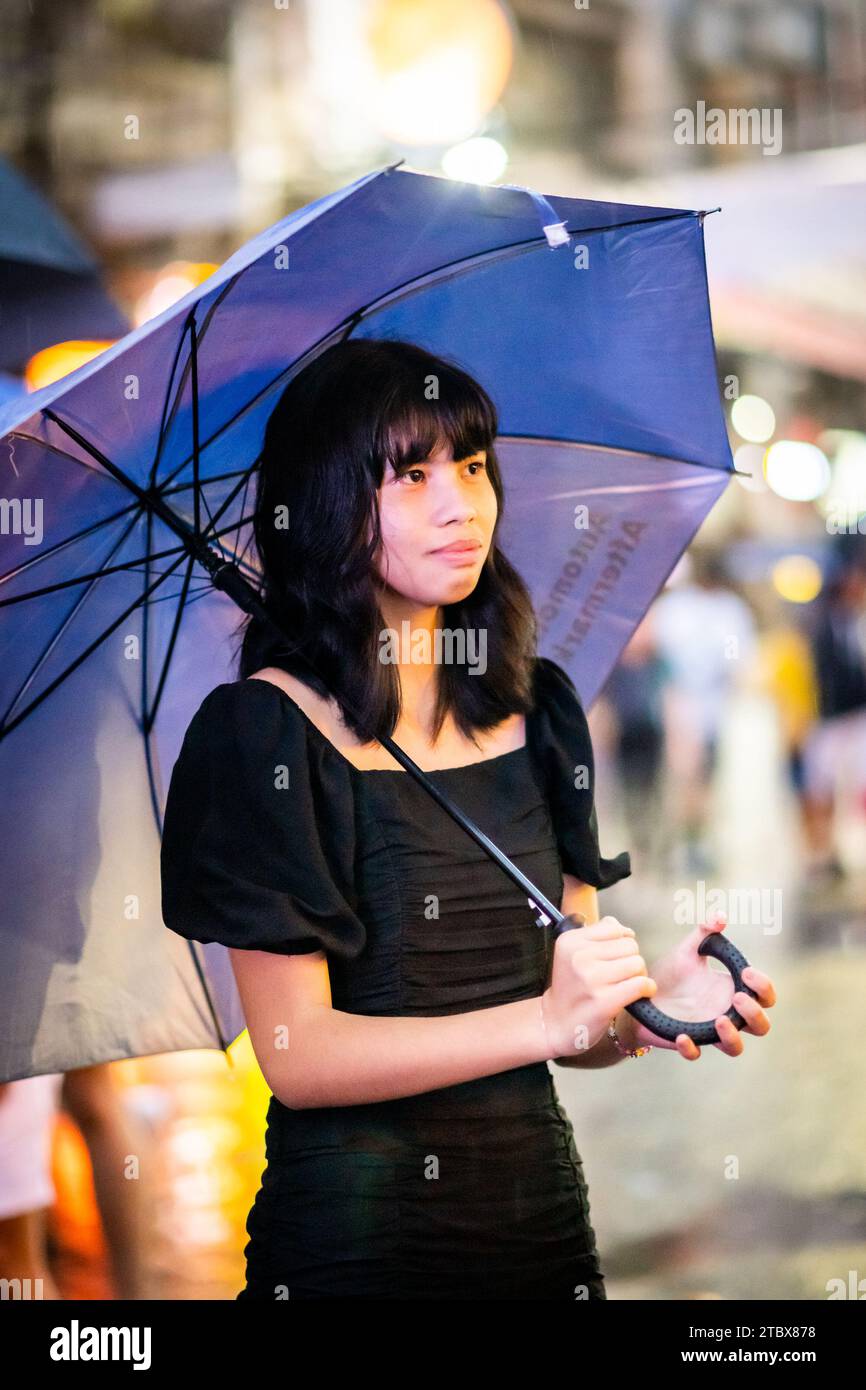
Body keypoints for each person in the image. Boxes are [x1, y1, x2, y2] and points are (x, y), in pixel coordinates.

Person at [159, 338, 776, 1301]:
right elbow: (298, 1059)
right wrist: (544, 1018)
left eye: (475, 466)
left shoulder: (542, 711)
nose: (463, 505)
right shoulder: (263, 737)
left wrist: (645, 1010)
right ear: (325, 506)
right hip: (358, 1251)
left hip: (543, 1238)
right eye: (411, 475)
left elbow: (576, 1029)